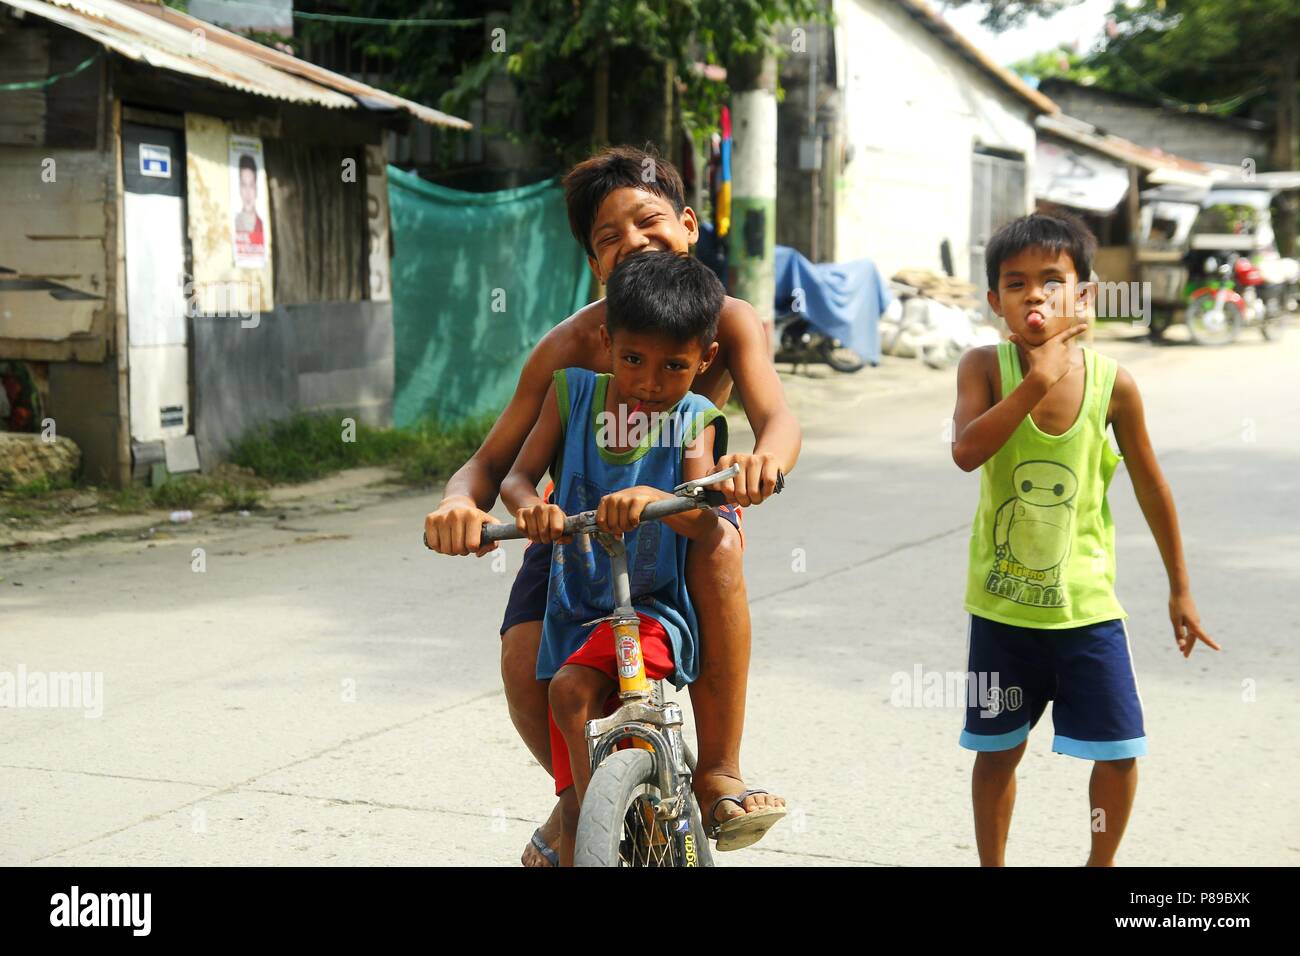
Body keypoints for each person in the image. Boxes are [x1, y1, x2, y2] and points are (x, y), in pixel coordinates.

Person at [424, 146, 799, 866]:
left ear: (688, 226)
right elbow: (492, 464)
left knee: (720, 545)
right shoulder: (572, 350)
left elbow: (777, 419)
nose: (632, 242)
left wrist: (762, 462)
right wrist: (455, 504)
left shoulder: (729, 320)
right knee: (523, 661)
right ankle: (582, 805)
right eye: (607, 238)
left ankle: (719, 770)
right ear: (595, 266)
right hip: (576, 526)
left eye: (648, 220)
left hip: (679, 505)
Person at [950, 212, 1219, 866]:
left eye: (1052, 281)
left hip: (1087, 612)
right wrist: (1038, 377)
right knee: (996, 752)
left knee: (1120, 751)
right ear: (995, 302)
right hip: (1003, 612)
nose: (1035, 296)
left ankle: (1100, 865)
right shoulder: (984, 367)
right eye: (1016, 284)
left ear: (1085, 297)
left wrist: (1180, 590)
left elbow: (1152, 487)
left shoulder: (1112, 385)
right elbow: (966, 451)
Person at [499, 251, 783, 864]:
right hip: (574, 602)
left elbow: (702, 510)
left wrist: (660, 498)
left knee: (571, 691)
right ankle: (584, 812)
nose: (650, 382)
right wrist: (532, 510)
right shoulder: (570, 396)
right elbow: (518, 477)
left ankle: (581, 822)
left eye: (673, 366)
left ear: (705, 361)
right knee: (562, 692)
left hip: (650, 609)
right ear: (606, 343)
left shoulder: (694, 419)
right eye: (633, 360)